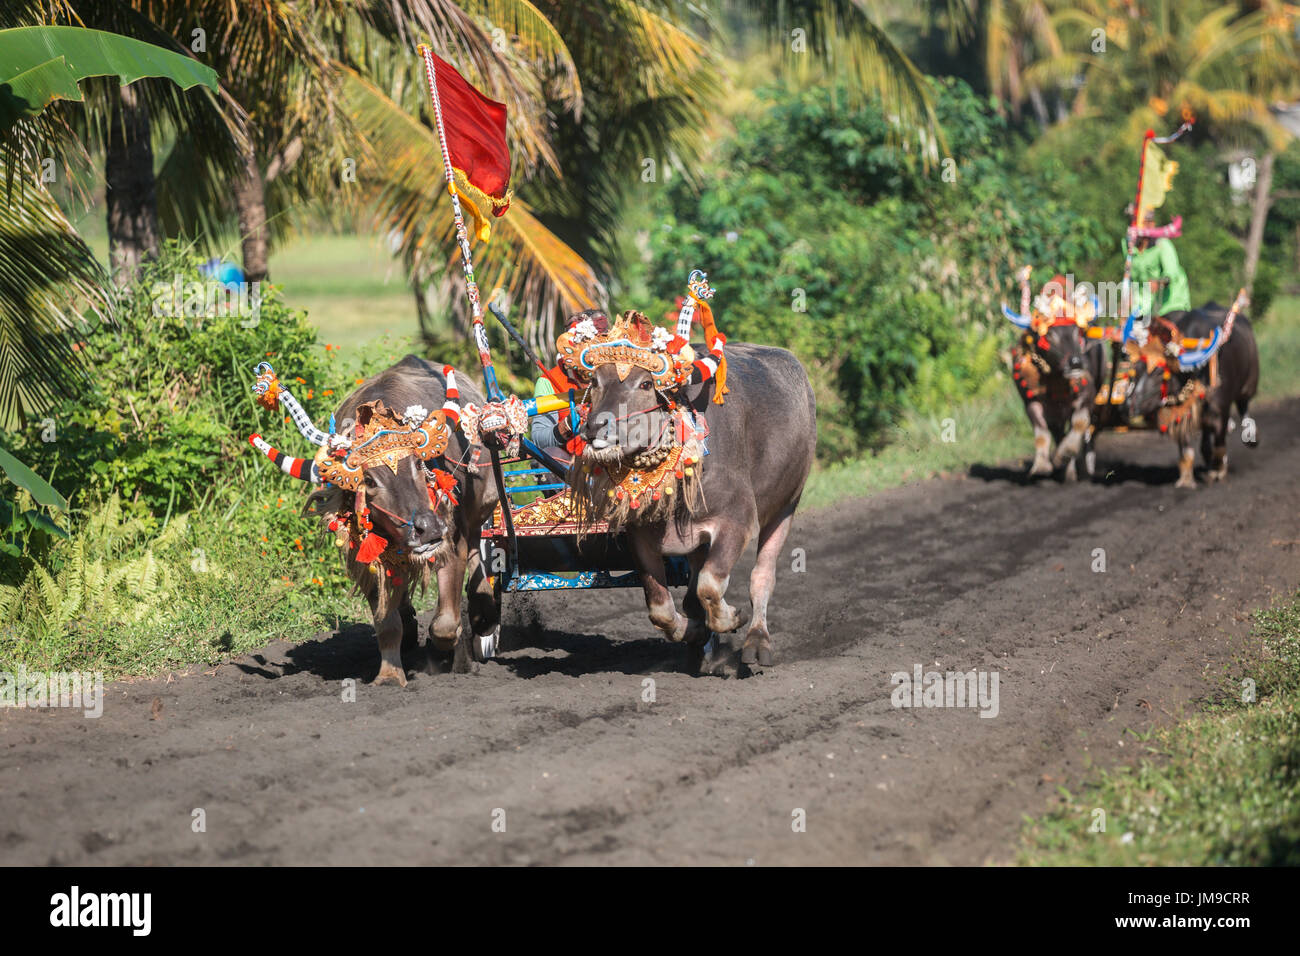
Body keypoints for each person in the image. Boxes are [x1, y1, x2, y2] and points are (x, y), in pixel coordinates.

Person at [530, 309, 608, 462]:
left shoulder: (618, 374)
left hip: (612, 458)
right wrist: (566, 425)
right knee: (550, 454)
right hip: (570, 466)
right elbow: (539, 439)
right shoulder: (548, 381)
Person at [1127, 209, 1190, 327]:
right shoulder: (1131, 251)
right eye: (1132, 222)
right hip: (1144, 310)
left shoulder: (1163, 245)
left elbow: (1171, 274)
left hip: (1170, 307)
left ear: (1151, 224)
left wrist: (1158, 282)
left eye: (1140, 222)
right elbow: (1133, 282)